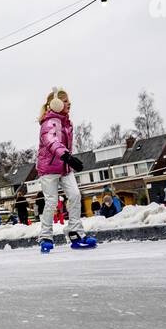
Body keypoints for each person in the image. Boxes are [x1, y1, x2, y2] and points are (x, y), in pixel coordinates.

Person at [36, 87, 97, 252]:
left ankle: (75, 232)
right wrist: (67, 156)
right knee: (51, 202)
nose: (69, 103)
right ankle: (46, 237)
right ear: (55, 104)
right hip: (49, 169)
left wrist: (68, 160)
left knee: (76, 195)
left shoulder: (65, 122)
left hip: (64, 167)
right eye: (65, 101)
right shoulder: (49, 123)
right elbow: (51, 141)